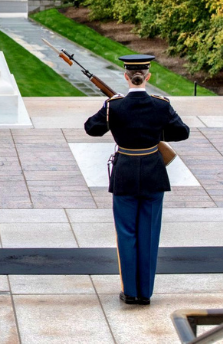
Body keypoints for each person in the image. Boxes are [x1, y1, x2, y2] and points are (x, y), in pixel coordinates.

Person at [84, 54, 190, 306]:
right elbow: (182, 132)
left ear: (126, 76)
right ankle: (145, 293)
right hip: (154, 174)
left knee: (126, 234)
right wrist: (155, 131)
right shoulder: (161, 106)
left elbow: (91, 128)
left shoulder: (115, 106)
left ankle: (129, 291)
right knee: (149, 234)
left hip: (126, 174)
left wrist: (113, 115)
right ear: (148, 76)